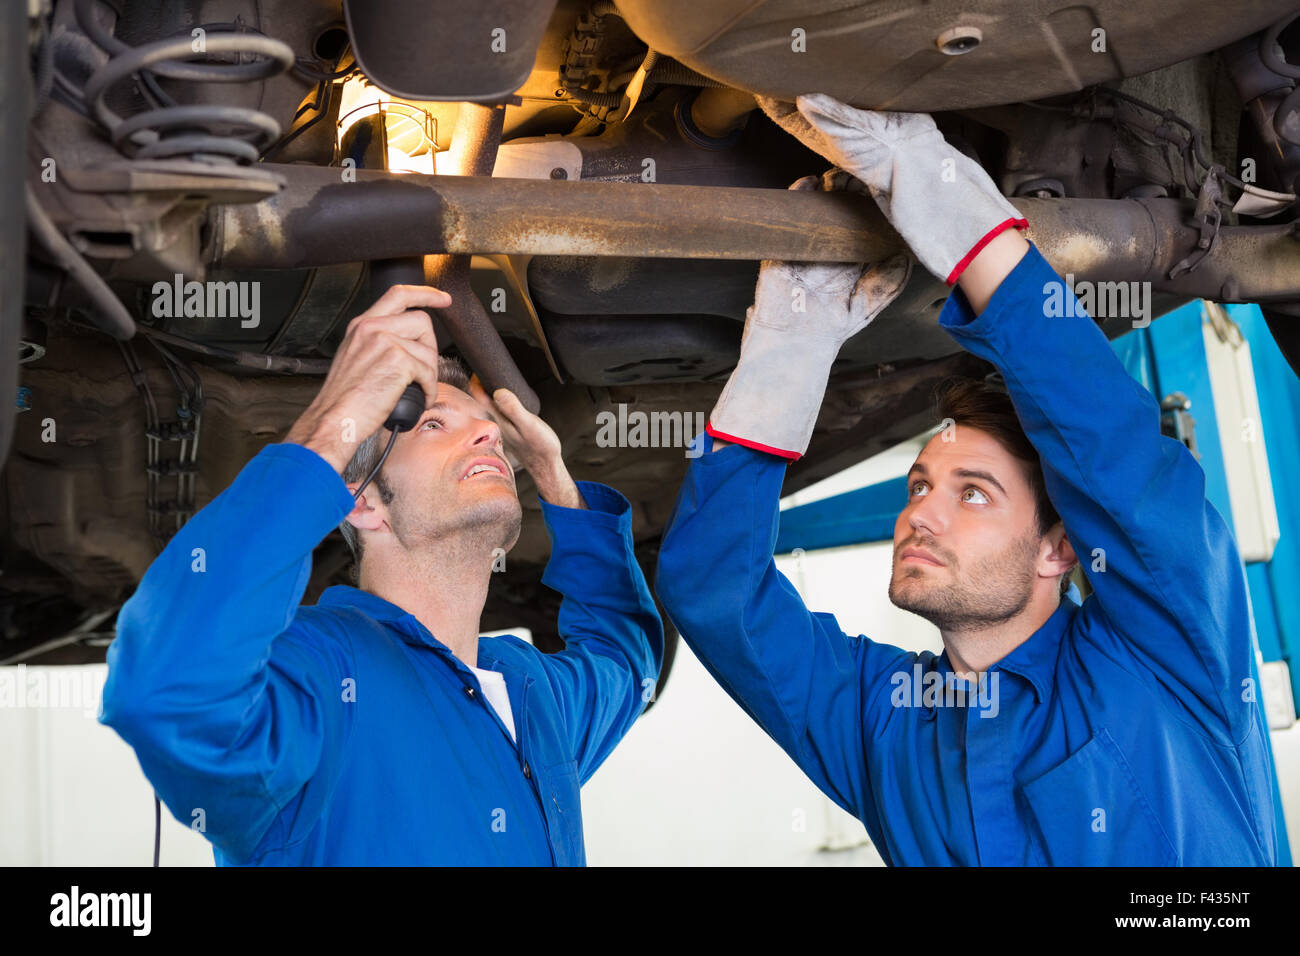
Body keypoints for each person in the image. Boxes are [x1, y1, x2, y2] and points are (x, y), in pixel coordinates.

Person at [655, 93, 1278, 865]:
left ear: (1061, 550)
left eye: (971, 492)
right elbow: (715, 594)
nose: (921, 515)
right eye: (919, 486)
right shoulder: (887, 726)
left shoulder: (1164, 654)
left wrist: (939, 190)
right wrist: (787, 352)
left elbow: (1113, 446)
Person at [100, 285, 663, 865]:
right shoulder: (320, 673)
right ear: (364, 503)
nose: (490, 432)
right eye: (434, 424)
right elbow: (164, 691)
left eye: (488, 427)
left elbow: (626, 660)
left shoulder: (528, 691)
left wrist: (552, 474)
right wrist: (336, 420)